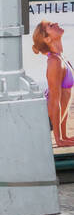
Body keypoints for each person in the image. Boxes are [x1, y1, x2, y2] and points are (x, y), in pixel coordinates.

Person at [32, 20, 74, 148]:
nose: (56, 23)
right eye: (50, 26)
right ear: (47, 39)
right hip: (46, 122)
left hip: (50, 121)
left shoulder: (62, 59)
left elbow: (65, 100)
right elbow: (55, 102)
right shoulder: (54, 63)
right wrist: (58, 139)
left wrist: (64, 135)